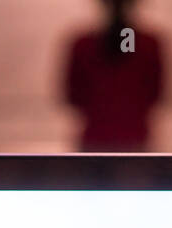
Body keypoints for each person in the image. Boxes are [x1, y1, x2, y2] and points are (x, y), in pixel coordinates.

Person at [63, 0, 166, 152]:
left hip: (96, 139)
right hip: (134, 139)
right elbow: (155, 94)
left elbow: (73, 96)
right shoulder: (147, 45)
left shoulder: (84, 45)